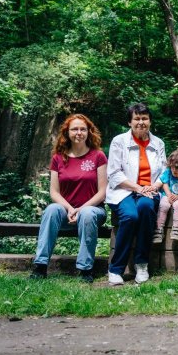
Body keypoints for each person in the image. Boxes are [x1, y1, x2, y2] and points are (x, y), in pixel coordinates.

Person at [30, 114, 107, 283]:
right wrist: (71, 209)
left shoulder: (98, 156)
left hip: (93, 211)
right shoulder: (58, 158)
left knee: (87, 213)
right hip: (66, 212)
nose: (79, 133)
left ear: (89, 132)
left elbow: (102, 192)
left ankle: (85, 269)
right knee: (51, 209)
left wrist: (80, 209)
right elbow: (54, 192)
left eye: (83, 129)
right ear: (67, 132)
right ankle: (40, 266)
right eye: (74, 129)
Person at [106, 103, 166, 286]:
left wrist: (154, 186)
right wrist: (138, 188)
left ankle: (141, 264)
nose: (141, 122)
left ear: (150, 121)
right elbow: (114, 173)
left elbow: (164, 172)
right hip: (124, 190)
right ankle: (116, 269)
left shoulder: (158, 143)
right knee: (131, 216)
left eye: (144, 118)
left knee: (146, 208)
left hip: (149, 191)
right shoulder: (119, 141)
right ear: (129, 122)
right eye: (137, 118)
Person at [153, 149, 178, 244]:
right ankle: (159, 229)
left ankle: (176, 229)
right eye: (175, 173)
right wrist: (169, 195)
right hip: (167, 194)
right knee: (163, 205)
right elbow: (165, 183)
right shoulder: (167, 171)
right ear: (171, 166)